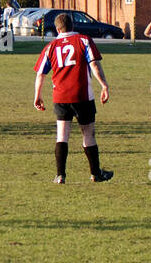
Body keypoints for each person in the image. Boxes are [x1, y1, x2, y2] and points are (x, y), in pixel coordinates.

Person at [32, 12, 112, 183]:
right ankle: (96, 174)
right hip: (82, 96)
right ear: (73, 25)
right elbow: (94, 64)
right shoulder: (84, 40)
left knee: (62, 135)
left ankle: (60, 175)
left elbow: (40, 74)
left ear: (57, 28)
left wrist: (37, 96)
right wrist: (104, 85)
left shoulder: (51, 47)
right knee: (88, 135)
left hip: (60, 96)